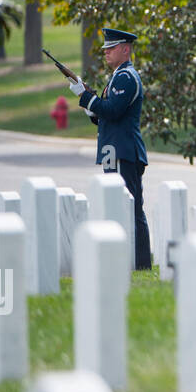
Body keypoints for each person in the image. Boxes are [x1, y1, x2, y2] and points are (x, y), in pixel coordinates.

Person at [68, 27, 152, 270]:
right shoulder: (118, 75)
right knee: (119, 207)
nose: (106, 52)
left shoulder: (126, 77)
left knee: (130, 208)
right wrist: (89, 103)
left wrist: (87, 98)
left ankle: (140, 263)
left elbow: (113, 111)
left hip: (123, 151)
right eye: (105, 48)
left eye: (111, 48)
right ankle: (130, 260)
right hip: (115, 150)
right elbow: (105, 115)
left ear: (125, 49)